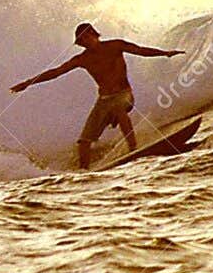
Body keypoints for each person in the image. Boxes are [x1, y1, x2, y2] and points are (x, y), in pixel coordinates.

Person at [10, 22, 185, 169]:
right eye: (81, 41)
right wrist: (28, 82)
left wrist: (165, 53)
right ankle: (83, 172)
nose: (85, 42)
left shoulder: (115, 45)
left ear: (94, 34)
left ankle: (133, 149)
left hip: (124, 95)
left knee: (118, 109)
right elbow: (56, 72)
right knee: (84, 142)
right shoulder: (82, 59)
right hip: (103, 101)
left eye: (87, 37)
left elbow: (140, 50)